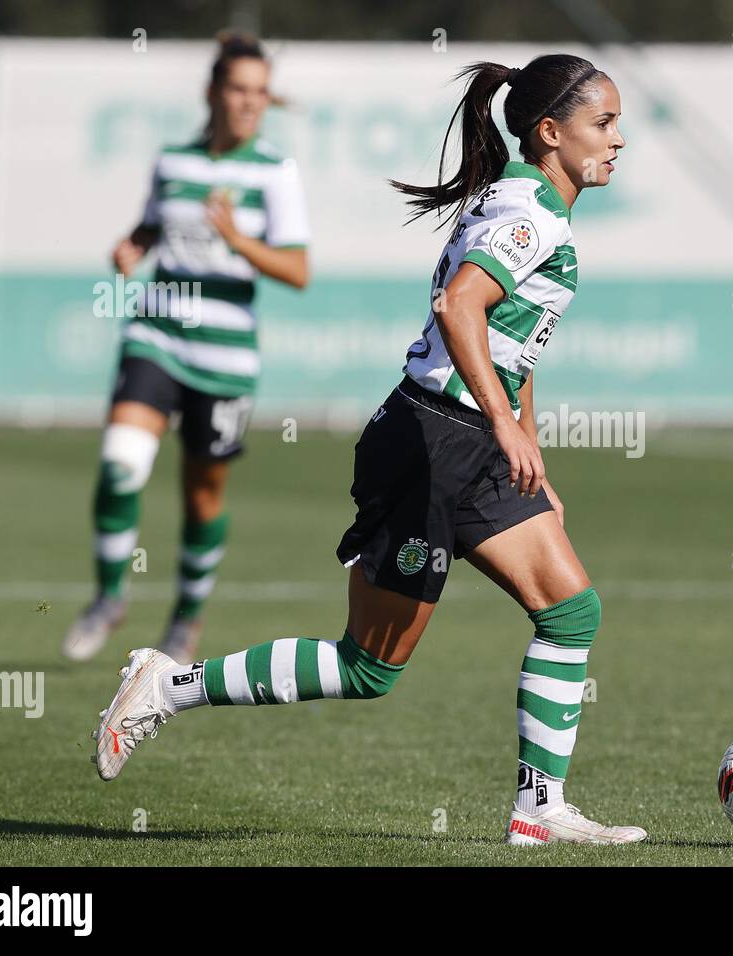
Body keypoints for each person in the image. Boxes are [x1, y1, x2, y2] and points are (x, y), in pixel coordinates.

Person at [90, 54, 640, 846]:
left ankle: (540, 811)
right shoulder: (532, 216)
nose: (619, 140)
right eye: (604, 123)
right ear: (550, 133)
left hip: (475, 444)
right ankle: (166, 685)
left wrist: (532, 456)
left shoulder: (532, 205)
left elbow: (511, 346)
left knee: (570, 611)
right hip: (429, 443)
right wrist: (506, 423)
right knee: (368, 669)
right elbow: (461, 308)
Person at [63, 32, 309, 665]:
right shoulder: (173, 160)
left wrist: (235, 238)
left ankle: (186, 618)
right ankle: (110, 596)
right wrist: (130, 247)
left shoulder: (275, 172)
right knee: (121, 461)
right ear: (212, 93)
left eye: (260, 92)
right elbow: (150, 225)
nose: (250, 103)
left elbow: (297, 270)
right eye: (238, 89)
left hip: (226, 358)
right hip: (156, 335)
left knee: (202, 494)